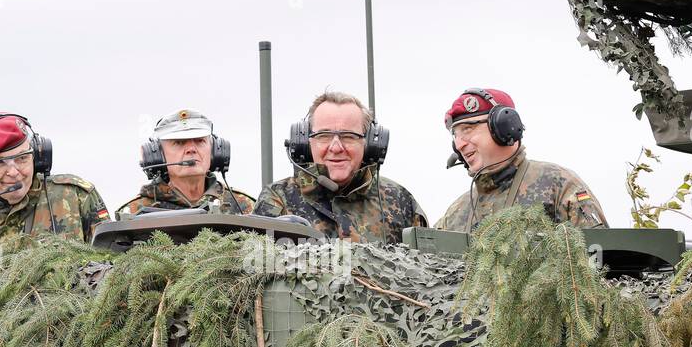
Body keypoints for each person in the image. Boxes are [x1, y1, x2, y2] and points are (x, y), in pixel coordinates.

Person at [253, 90, 426, 243]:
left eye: (349, 136)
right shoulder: (278, 198)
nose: (336, 147)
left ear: (369, 144)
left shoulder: (400, 200)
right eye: (324, 135)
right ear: (306, 142)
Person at [436, 88, 607, 232]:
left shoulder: (559, 185)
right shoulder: (455, 213)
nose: (459, 144)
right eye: (455, 135)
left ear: (503, 125)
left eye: (467, 129)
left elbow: (601, 256)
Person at [0, 112, 109, 248]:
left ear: (38, 157)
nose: (14, 172)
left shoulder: (76, 197)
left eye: (22, 158)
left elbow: (114, 266)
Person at [116, 109, 255, 215]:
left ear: (215, 150)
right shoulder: (133, 213)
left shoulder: (243, 206)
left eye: (200, 141)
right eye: (179, 143)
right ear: (158, 154)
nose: (191, 149)